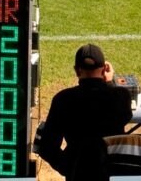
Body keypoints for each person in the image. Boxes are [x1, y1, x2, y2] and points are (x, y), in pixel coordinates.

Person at [37, 44, 132, 181]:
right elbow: (124, 115)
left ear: (76, 71)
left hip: (78, 174)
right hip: (112, 172)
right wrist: (110, 83)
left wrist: (69, 167)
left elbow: (47, 147)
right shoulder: (121, 96)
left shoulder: (63, 99)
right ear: (105, 69)